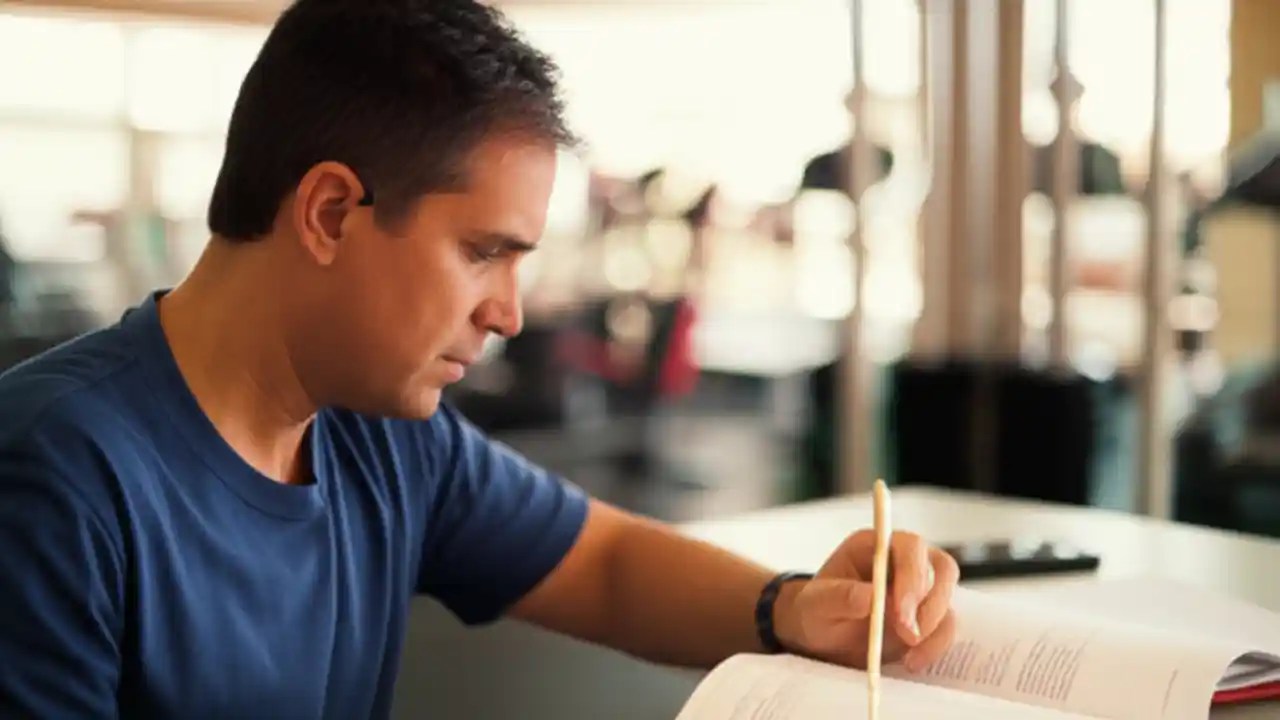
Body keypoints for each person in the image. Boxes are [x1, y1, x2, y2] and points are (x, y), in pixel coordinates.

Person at [0, 1, 959, 718]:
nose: (507, 313)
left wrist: (793, 608)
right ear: (332, 212)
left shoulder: (381, 436)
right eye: (482, 251)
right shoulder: (54, 477)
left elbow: (607, 561)